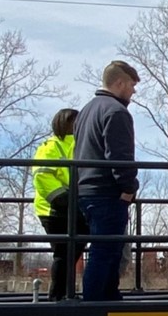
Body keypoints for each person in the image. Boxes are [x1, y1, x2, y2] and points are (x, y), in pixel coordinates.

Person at [74, 60, 141, 302]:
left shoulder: (87, 110)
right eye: (132, 85)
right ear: (120, 82)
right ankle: (96, 304)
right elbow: (120, 155)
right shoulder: (116, 112)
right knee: (106, 251)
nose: (133, 91)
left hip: (86, 189)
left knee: (103, 249)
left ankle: (106, 297)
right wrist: (128, 187)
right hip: (107, 192)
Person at [33, 108, 89, 301]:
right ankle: (58, 295)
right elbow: (42, 178)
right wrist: (62, 200)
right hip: (54, 209)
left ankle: (64, 293)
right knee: (64, 253)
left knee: (72, 252)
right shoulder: (50, 147)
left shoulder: (80, 146)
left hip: (75, 206)